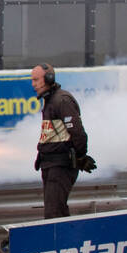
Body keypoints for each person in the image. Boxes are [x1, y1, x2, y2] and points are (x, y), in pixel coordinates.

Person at [32, 63, 92, 219]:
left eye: (37, 80)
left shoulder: (61, 100)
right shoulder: (50, 101)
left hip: (60, 166)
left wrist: (80, 156)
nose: (34, 84)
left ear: (49, 79)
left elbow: (78, 133)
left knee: (54, 214)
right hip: (51, 165)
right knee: (57, 212)